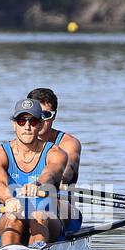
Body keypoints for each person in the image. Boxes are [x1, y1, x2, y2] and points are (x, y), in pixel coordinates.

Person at [0, 99, 68, 248]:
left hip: (48, 217)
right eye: (21, 121)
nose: (27, 127)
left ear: (41, 124)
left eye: (33, 121)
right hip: (13, 214)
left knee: (39, 216)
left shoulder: (56, 153)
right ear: (14, 124)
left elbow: (51, 172)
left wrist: (39, 184)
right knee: (12, 217)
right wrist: (8, 199)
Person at [26, 87, 84, 236]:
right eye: (36, 115)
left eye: (46, 115)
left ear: (54, 116)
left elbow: (66, 171)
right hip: (28, 206)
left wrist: (44, 182)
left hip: (63, 209)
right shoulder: (18, 145)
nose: (40, 120)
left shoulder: (68, 144)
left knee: (43, 206)